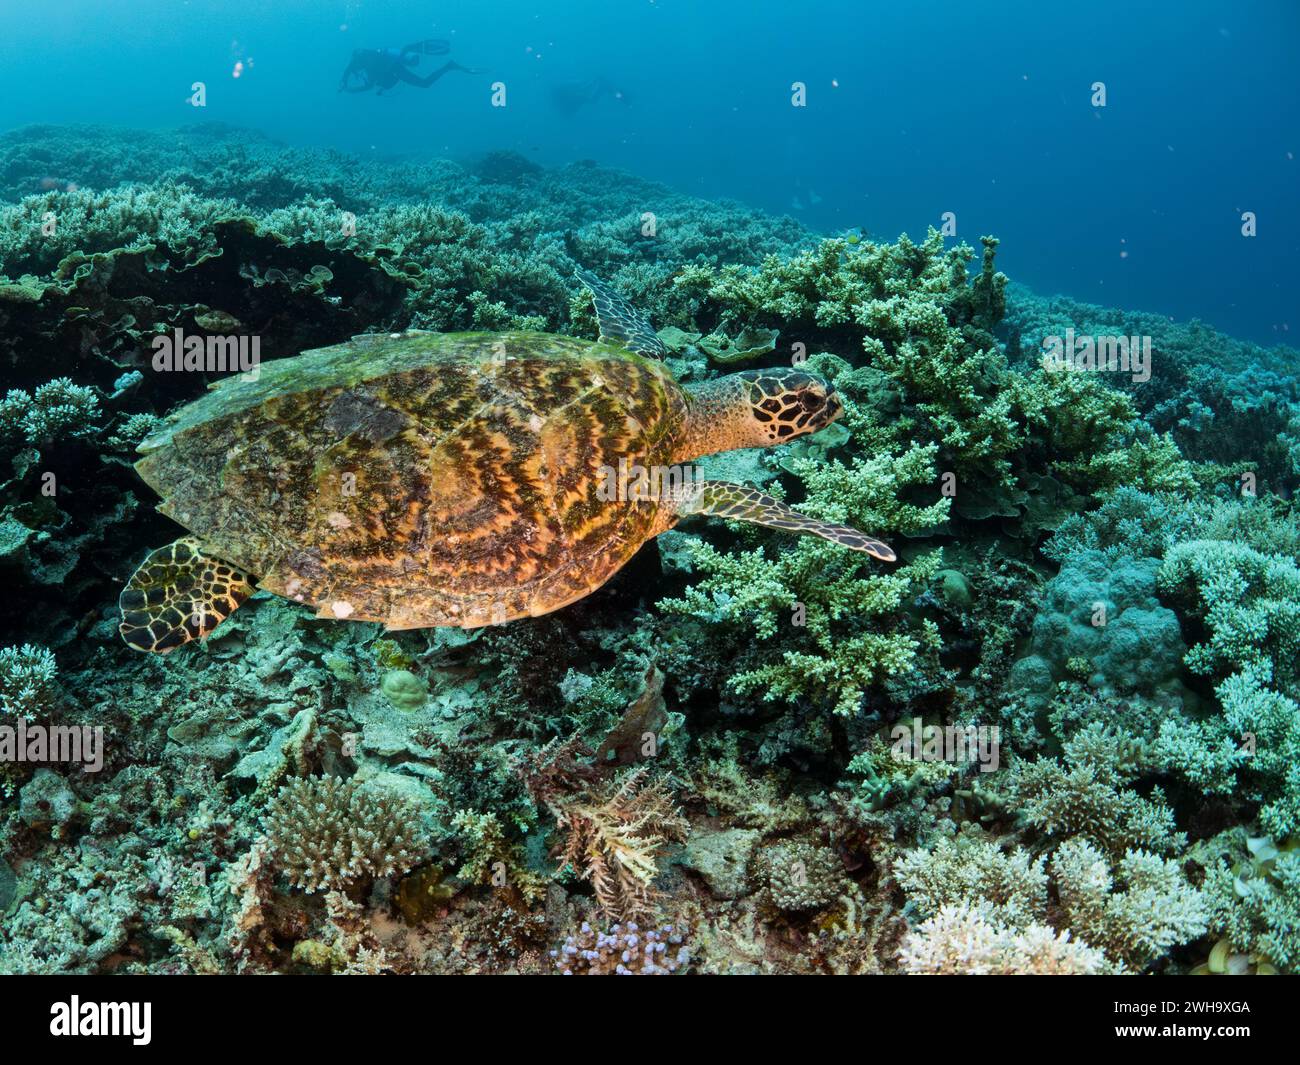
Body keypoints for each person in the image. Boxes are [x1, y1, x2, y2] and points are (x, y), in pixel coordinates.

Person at [338, 39, 476, 95]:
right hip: (394, 66)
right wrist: (345, 84)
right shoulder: (360, 64)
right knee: (425, 83)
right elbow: (347, 71)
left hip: (394, 67)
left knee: (425, 84)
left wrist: (349, 89)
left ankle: (449, 66)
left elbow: (366, 84)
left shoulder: (363, 66)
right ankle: (449, 66)